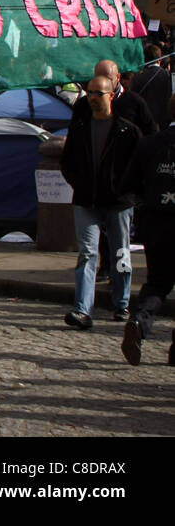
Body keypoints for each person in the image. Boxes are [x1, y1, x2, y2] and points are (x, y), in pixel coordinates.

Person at [60, 75, 141, 329]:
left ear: (111, 95)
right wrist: (79, 184)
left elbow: (138, 167)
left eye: (98, 93)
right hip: (86, 200)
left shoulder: (127, 130)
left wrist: (125, 192)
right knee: (87, 253)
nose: (93, 98)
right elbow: (67, 161)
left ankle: (122, 304)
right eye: (90, 93)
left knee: (120, 253)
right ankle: (82, 310)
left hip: (118, 202)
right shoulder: (81, 127)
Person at [120, 92, 175, 365]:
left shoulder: (149, 144)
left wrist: (148, 202)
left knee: (157, 282)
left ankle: (139, 322)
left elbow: (129, 183)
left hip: (157, 223)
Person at [129, 43, 172, 131]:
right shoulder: (169, 76)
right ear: (159, 60)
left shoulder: (137, 78)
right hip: (165, 121)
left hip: (144, 123)